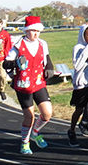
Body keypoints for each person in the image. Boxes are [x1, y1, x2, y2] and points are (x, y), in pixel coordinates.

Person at [4, 16, 55, 155]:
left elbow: (47, 59)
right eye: (33, 31)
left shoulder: (43, 44)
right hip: (23, 85)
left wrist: (49, 69)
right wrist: (16, 63)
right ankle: (25, 142)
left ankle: (35, 132)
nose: (35, 34)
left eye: (38, 31)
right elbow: (5, 63)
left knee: (47, 114)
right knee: (29, 117)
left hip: (38, 82)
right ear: (26, 31)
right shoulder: (18, 45)